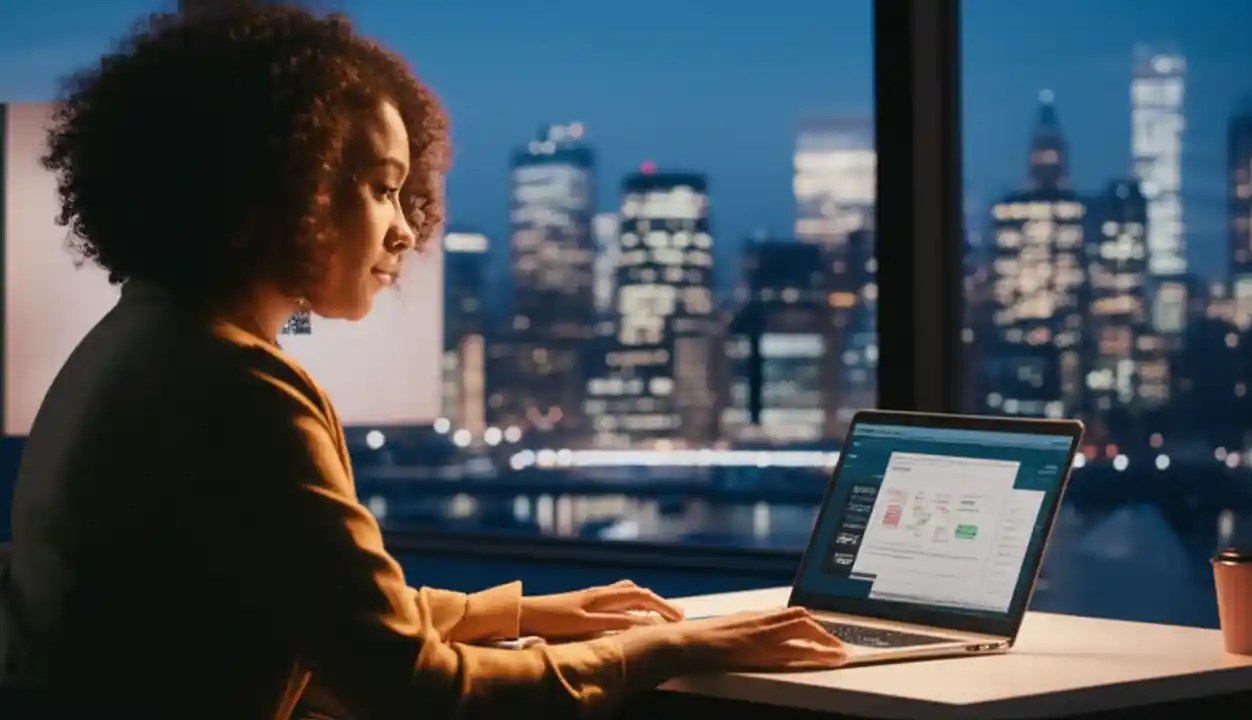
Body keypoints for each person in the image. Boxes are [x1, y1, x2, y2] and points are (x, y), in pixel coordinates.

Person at [0, 4, 849, 719]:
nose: (407, 229)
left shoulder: (142, 346)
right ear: (282, 187)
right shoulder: (236, 387)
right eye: (381, 188)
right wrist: (665, 648)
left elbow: (325, 605)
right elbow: (417, 687)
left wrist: (524, 612)